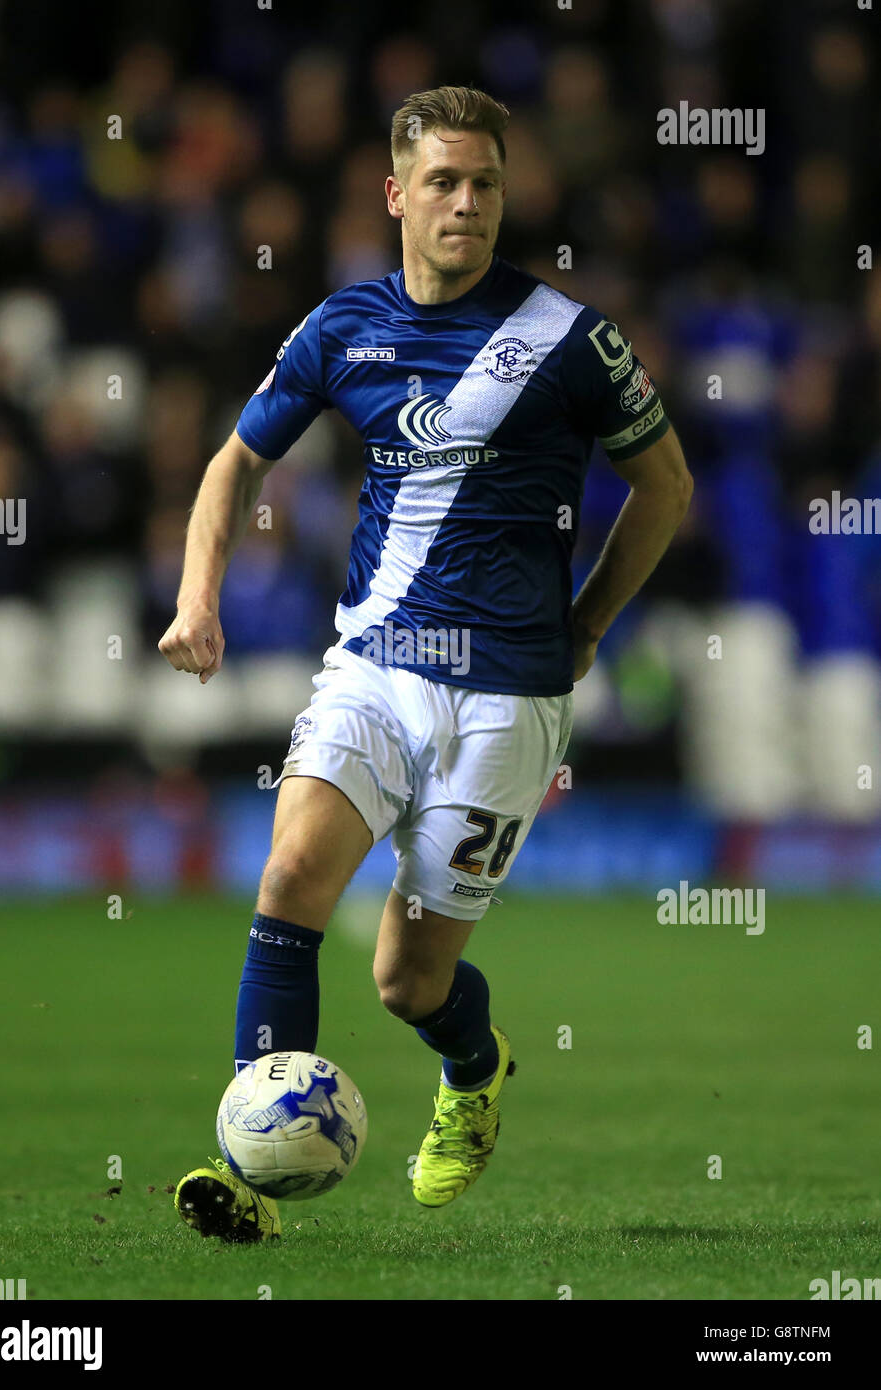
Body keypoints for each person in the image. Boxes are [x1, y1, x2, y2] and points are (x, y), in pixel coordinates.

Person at [159, 85, 693, 1242]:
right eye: (444, 182)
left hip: (509, 697)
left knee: (407, 980)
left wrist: (592, 622)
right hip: (374, 665)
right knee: (294, 871)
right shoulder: (342, 326)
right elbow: (230, 465)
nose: (468, 203)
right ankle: (246, 1168)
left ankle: (476, 1066)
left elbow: (667, 486)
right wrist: (199, 597)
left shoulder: (569, 337)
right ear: (396, 195)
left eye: (487, 183)